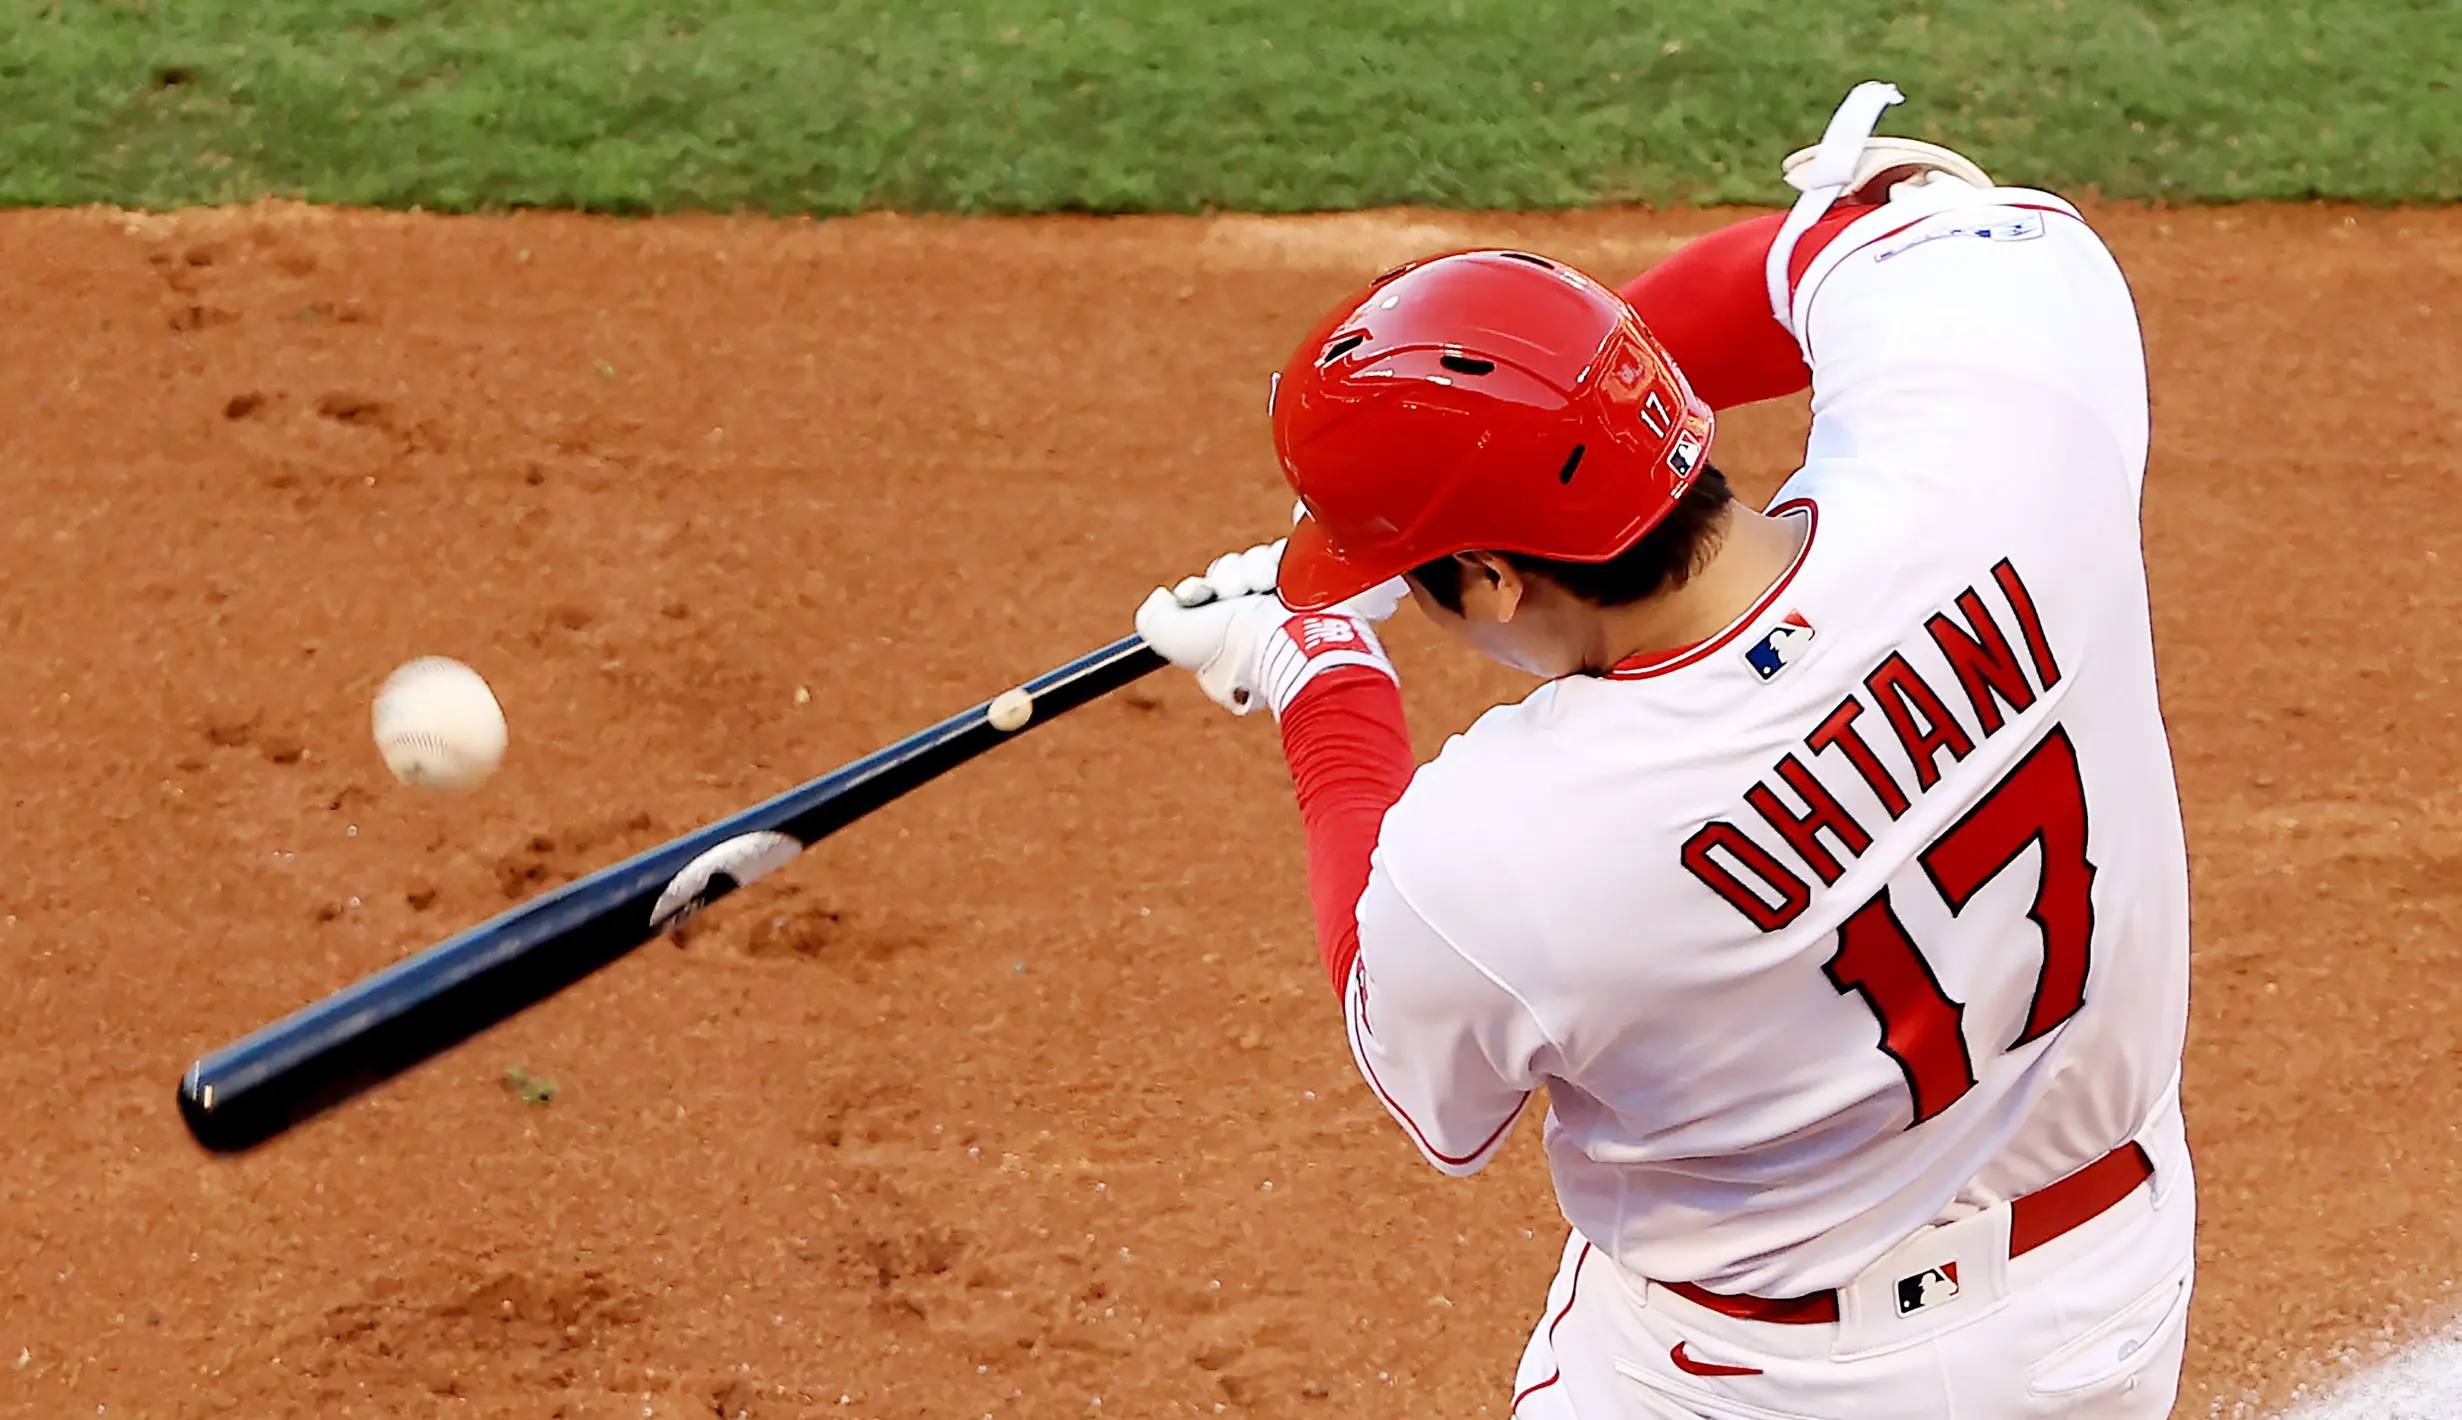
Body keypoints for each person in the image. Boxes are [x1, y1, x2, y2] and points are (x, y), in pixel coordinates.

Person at [1135, 83, 2195, 1418]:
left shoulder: (1504, 849)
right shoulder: (2006, 432)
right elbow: (1845, 241)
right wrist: (1539, 402)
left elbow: (1403, 1041)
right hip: (2096, 1312)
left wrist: (1319, 670)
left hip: (1754, 1384)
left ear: (1492, 578)